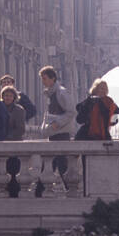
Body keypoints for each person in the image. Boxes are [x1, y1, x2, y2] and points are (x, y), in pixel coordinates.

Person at [37, 65, 73, 196]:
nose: (43, 81)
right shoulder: (51, 94)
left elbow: (71, 112)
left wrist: (57, 124)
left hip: (61, 134)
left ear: (52, 79)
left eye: (45, 78)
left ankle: (39, 193)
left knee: (58, 163)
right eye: (42, 78)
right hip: (54, 134)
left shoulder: (61, 93)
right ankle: (40, 192)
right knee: (50, 162)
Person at [2, 85, 26, 197]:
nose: (8, 98)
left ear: (14, 97)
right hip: (0, 144)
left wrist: (9, 137)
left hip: (14, 144)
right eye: (6, 95)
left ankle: (14, 192)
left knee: (13, 169)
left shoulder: (19, 110)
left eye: (10, 96)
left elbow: (21, 129)